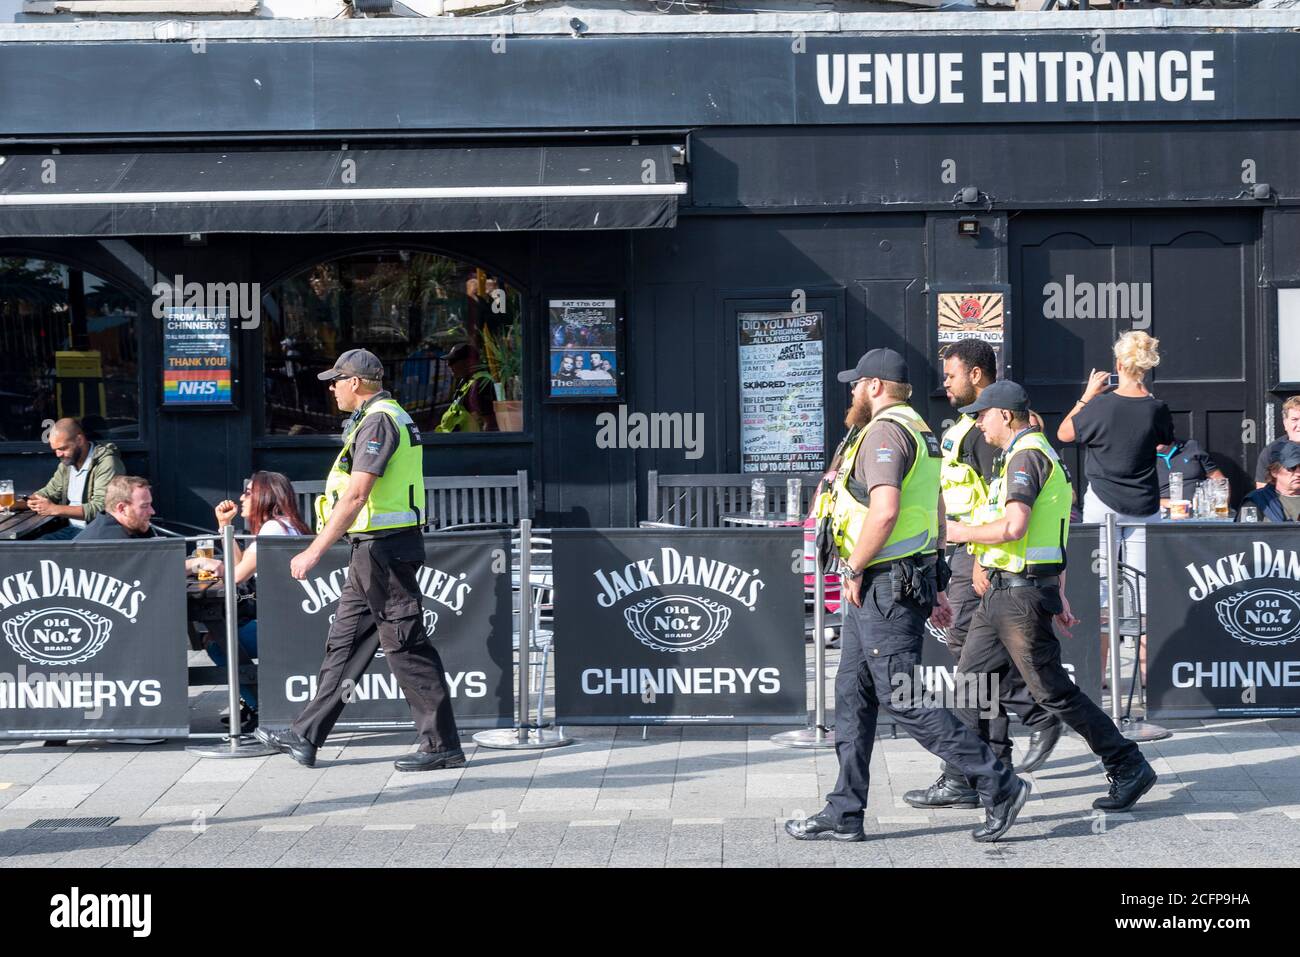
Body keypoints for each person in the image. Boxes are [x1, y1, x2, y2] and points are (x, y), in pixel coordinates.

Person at [785, 348, 1029, 844]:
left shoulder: (885, 431)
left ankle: (998, 782)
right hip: (893, 581)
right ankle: (844, 810)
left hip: (882, 585)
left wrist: (853, 566)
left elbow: (887, 511)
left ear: (875, 386)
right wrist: (936, 581)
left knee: (903, 698)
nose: (853, 392)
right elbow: (935, 508)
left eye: (857, 384)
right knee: (852, 696)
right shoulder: (920, 430)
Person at [949, 381, 1158, 812]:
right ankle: (976, 779)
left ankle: (1127, 763)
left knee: (1051, 690)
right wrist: (1057, 590)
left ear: (1005, 415)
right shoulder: (1027, 454)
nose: (979, 425)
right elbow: (1053, 532)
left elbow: (1015, 526)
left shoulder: (1027, 457)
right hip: (1007, 590)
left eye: (983, 416)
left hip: (1019, 595)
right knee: (971, 682)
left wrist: (956, 532)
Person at [255, 349, 463, 772]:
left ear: (355, 382)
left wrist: (314, 549)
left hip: (385, 549)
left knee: (404, 644)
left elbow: (356, 495)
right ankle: (305, 735)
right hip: (372, 550)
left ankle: (441, 745)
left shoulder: (380, 420)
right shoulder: (374, 418)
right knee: (345, 642)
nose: (331, 388)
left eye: (336, 380)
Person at [905, 340, 1061, 813]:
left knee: (973, 661)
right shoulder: (974, 426)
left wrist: (977, 556)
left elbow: (1000, 505)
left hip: (975, 553)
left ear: (976, 375)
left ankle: (1001, 746)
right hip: (969, 550)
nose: (945, 383)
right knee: (974, 660)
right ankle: (989, 762)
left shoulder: (987, 432)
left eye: (951, 375)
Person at [187, 471, 310, 731]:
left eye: (247, 492)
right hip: (296, 621)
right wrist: (225, 526)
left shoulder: (273, 529)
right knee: (221, 638)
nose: (241, 498)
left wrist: (209, 565)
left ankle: (259, 708)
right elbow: (241, 567)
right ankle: (257, 702)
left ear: (265, 496)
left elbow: (236, 575)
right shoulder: (284, 524)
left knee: (218, 643)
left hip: (285, 629)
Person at [1057, 330, 1173, 606]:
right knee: (1143, 588)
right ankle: (1140, 635)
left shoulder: (1100, 406)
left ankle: (1104, 636)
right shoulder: (1156, 408)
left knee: (1101, 584)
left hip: (1103, 499)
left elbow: (1064, 434)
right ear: (1145, 368)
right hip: (1144, 502)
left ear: (1118, 364)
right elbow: (1165, 442)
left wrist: (1087, 396)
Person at [13, 418, 124, 539]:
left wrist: (54, 509)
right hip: (72, 529)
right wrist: (16, 504)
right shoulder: (67, 463)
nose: (58, 454)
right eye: (55, 450)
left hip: (96, 532)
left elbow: (101, 510)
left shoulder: (106, 463)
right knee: (32, 545)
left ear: (79, 440)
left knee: (37, 547)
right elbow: (49, 492)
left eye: (62, 448)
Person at [75, 476, 157, 540]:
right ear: (122, 509)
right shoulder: (117, 546)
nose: (152, 511)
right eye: (144, 506)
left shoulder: (99, 527)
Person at [1239, 442, 1300, 522]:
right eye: (1292, 468)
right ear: (1274, 472)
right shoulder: (1257, 501)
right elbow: (1245, 529)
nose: (1298, 473)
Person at [1157, 436, 1226, 506]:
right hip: (1165, 510)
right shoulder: (1149, 460)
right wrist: (1168, 503)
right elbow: (1149, 499)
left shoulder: (1192, 447)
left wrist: (1220, 507)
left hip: (1201, 507)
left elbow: (1219, 480)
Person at [1254, 396, 1300, 489]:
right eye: (1294, 419)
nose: (1299, 425)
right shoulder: (1271, 451)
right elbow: (1262, 491)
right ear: (1285, 423)